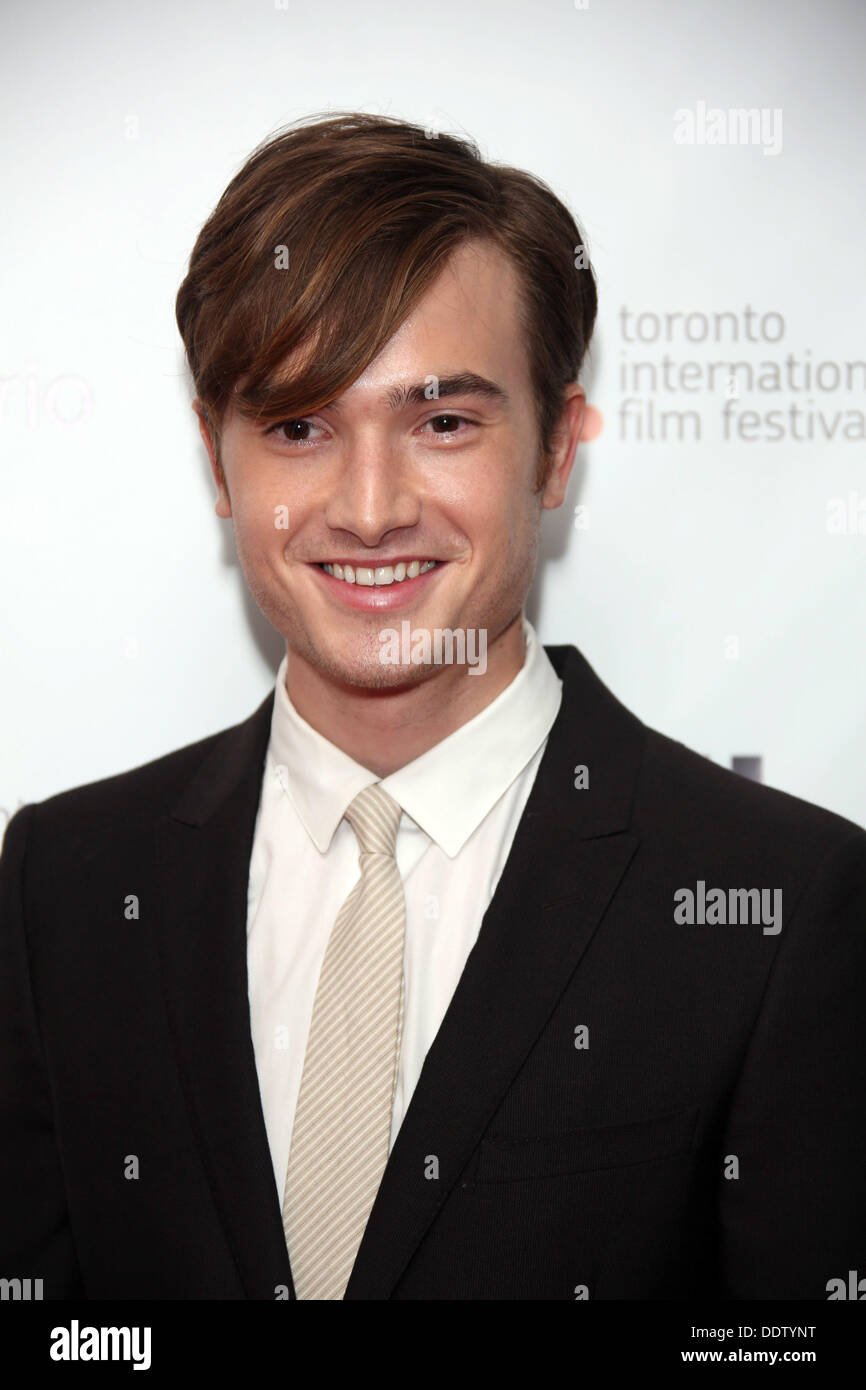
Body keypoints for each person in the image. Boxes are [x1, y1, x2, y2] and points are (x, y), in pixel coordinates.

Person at [1, 112, 864, 1302]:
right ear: (217, 460)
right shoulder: (65, 884)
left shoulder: (780, 902)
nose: (367, 508)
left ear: (557, 448)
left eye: (442, 421)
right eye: (298, 425)